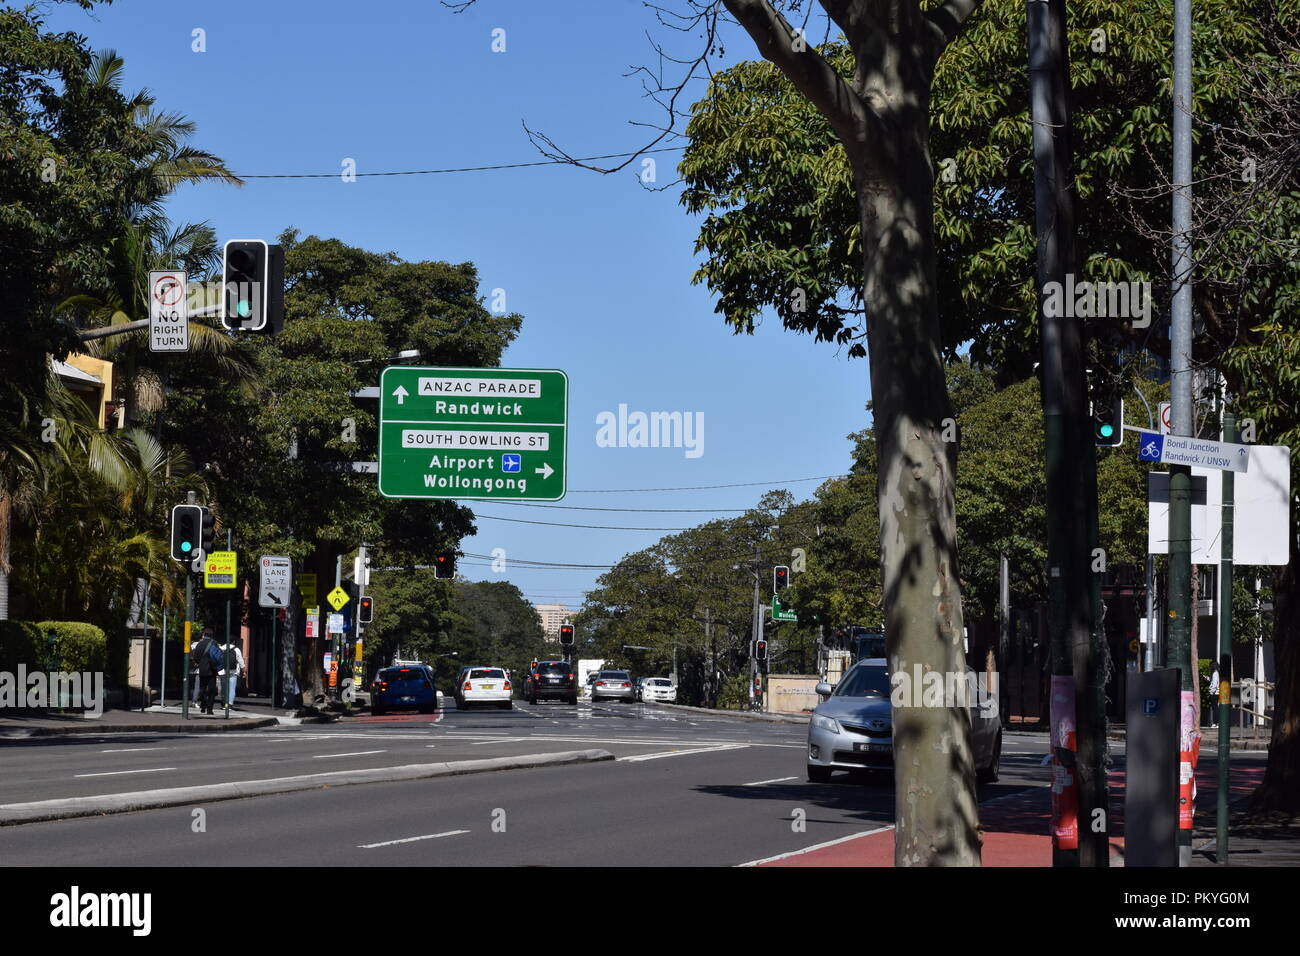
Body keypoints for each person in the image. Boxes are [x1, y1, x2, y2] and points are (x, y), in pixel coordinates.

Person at [191, 628, 220, 715]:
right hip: (212, 670)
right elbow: (218, 655)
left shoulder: (199, 644)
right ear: (211, 635)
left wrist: (199, 662)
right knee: (211, 690)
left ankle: (203, 704)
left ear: (204, 635)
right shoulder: (214, 643)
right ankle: (209, 709)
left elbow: (195, 658)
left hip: (202, 670)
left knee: (202, 688)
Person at [220, 639, 245, 707]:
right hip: (233, 671)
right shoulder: (236, 649)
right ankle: (229, 704)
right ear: (233, 641)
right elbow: (240, 660)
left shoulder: (221, 648)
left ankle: (224, 702)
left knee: (224, 688)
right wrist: (244, 671)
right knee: (232, 688)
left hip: (222, 671)